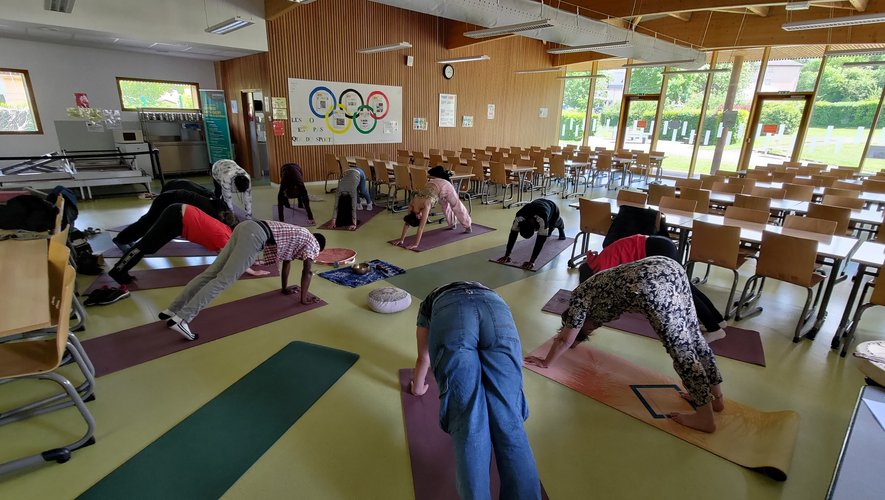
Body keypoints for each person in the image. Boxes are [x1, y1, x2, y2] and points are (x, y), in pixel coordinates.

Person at [525, 256, 725, 433]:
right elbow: (574, 337)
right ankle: (716, 399)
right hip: (668, 266)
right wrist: (573, 341)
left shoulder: (578, 298)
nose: (590, 331)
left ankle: (705, 418)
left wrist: (546, 361)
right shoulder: (598, 302)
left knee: (681, 351)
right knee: (694, 336)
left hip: (651, 285)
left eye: (583, 329)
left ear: (577, 320)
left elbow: (565, 338)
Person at [411, 281, 541, 499]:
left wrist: (417, 387)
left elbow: (423, 357)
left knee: (469, 421)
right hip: (497, 309)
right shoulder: (489, 293)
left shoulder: (428, 303)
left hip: (450, 313)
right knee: (510, 423)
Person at [160, 221, 325, 340]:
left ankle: (172, 310)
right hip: (255, 235)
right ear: (319, 246)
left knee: (210, 274)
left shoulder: (301, 235)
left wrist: (285, 288)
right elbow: (308, 271)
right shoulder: (314, 244)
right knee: (223, 280)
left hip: (246, 226)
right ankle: (182, 319)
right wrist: (303, 300)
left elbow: (287, 261)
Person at [579, 234, 728, 343]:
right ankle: (718, 320)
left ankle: (715, 330)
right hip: (660, 244)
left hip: (656, 249)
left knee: (683, 290)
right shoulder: (599, 261)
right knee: (687, 286)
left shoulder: (603, 269)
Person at [108, 204, 267, 285]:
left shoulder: (228, 232)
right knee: (145, 245)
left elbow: (237, 253)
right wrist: (252, 271)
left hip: (181, 218)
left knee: (150, 247)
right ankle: (117, 271)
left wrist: (252, 260)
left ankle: (122, 271)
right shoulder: (224, 238)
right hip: (177, 216)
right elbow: (234, 259)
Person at [112, 188, 230, 252]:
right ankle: (121, 239)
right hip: (169, 200)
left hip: (175, 197)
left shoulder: (221, 210)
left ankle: (128, 237)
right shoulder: (215, 216)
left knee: (147, 220)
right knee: (149, 222)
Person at [395, 166, 472, 250]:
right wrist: (401, 240)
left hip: (445, 186)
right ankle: (452, 224)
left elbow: (421, 227)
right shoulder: (412, 205)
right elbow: (407, 222)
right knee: (444, 206)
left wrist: (416, 244)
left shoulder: (425, 205)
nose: (422, 217)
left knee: (456, 205)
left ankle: (467, 225)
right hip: (433, 185)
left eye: (420, 218)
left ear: (417, 216)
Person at [496, 198, 566, 269]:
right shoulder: (519, 218)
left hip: (552, 208)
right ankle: (550, 229)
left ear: (535, 229)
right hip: (536, 203)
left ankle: (560, 229)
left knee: (554, 223)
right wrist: (507, 255)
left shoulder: (542, 219)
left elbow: (540, 241)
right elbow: (513, 235)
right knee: (547, 227)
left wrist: (532, 261)